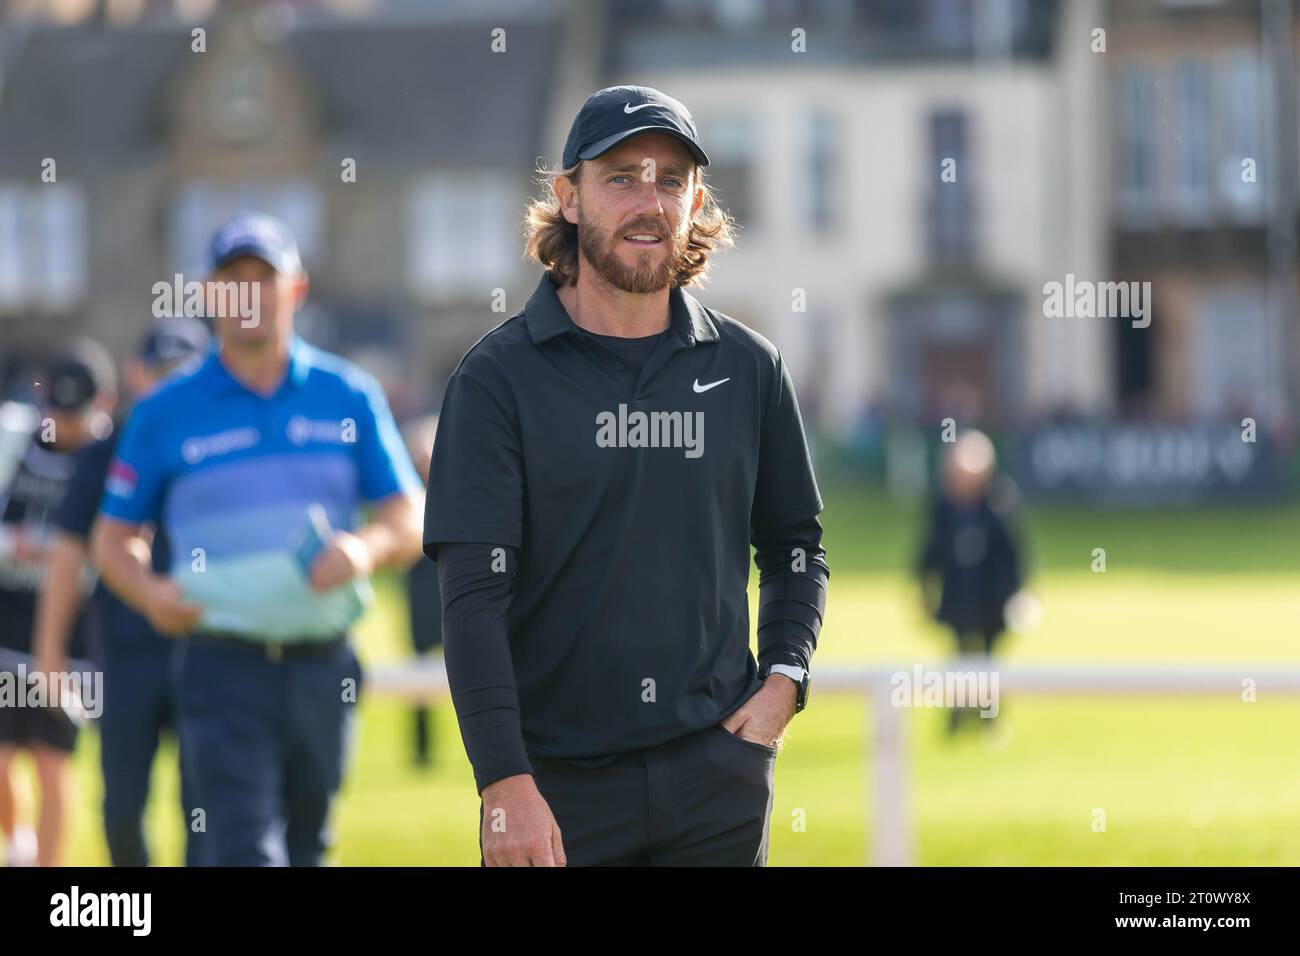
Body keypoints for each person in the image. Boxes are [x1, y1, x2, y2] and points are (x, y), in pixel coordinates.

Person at [424, 85, 830, 867]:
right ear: (568, 196)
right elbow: (472, 602)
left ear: (696, 201)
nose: (650, 200)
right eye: (621, 177)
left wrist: (784, 680)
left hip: (718, 782)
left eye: (670, 180)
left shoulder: (750, 368)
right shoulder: (494, 380)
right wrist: (504, 785)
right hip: (556, 795)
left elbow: (795, 545)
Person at [92, 213, 423, 866]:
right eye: (232, 280)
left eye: (264, 279)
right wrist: (146, 589)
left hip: (325, 668)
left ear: (296, 290)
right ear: (209, 296)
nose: (249, 295)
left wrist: (363, 550)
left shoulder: (347, 395)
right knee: (246, 851)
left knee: (310, 848)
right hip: (222, 665)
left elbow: (409, 515)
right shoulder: (164, 412)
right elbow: (113, 538)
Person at [34, 316, 210, 866]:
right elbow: (67, 556)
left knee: (204, 808)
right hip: (126, 654)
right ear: (137, 375)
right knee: (121, 809)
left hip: (206, 651)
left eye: (182, 375)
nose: (168, 388)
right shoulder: (106, 452)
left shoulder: (217, 444)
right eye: (161, 374)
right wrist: (49, 653)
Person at [0, 340, 116, 866]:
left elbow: (115, 544)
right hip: (6, 626)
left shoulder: (108, 460)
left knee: (52, 763)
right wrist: (14, 545)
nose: (63, 424)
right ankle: (18, 844)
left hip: (70, 637)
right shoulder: (14, 440)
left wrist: (65, 557)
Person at [917, 429, 1025, 735]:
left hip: (991, 598)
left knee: (989, 660)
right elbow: (930, 550)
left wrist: (1017, 593)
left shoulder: (999, 503)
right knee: (961, 657)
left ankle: (989, 717)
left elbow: (1013, 554)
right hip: (958, 597)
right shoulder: (944, 506)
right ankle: (958, 715)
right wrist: (924, 588)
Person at [401, 415, 442, 768]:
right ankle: (423, 751)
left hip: (453, 593)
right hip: (421, 595)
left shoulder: (459, 488)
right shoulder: (409, 497)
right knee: (419, 674)